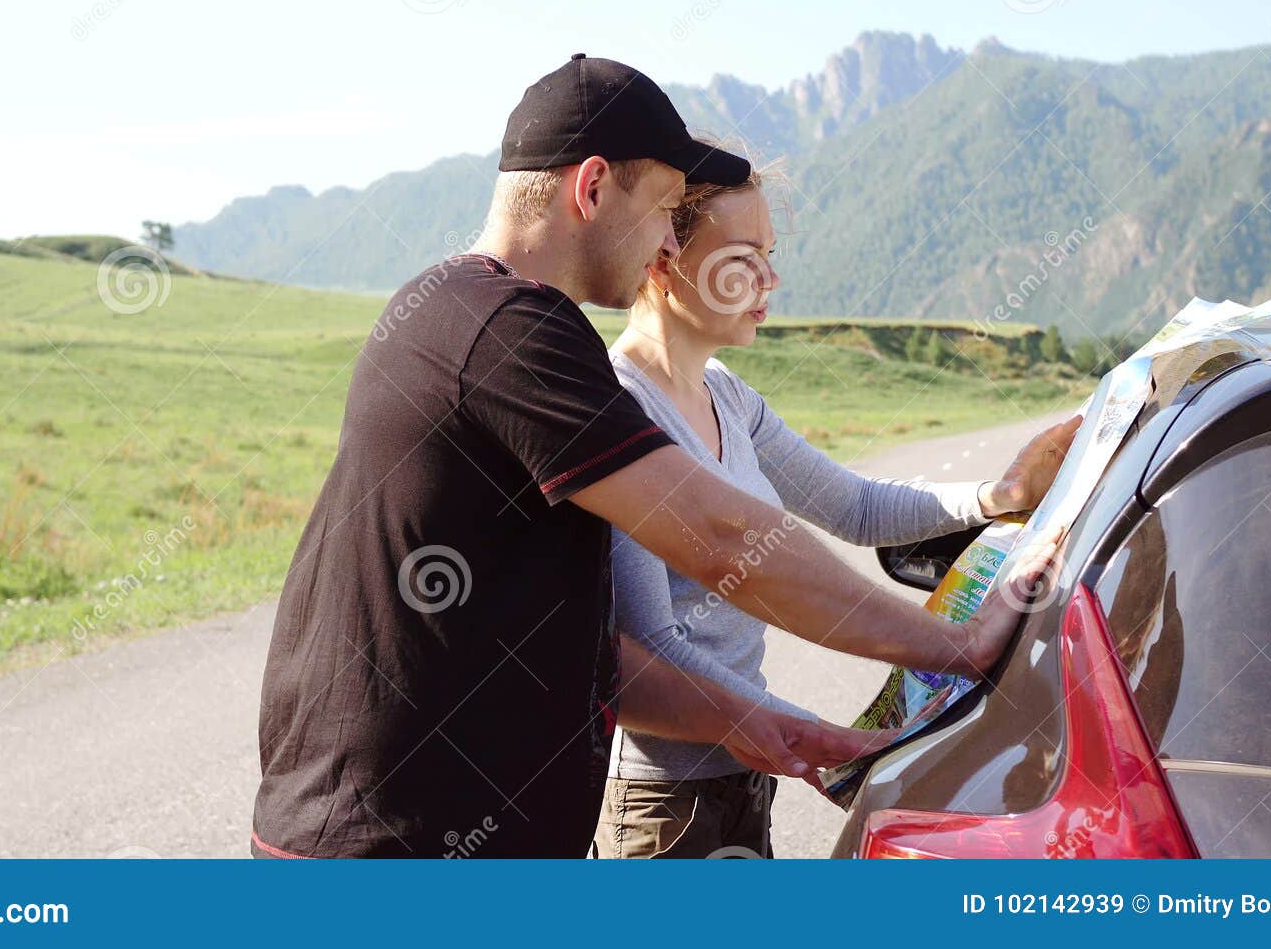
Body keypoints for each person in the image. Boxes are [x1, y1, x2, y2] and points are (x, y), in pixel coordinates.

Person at [251, 55, 1062, 858]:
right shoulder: (514, 328)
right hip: (390, 850)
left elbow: (594, 649)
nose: (666, 239)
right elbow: (724, 536)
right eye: (666, 208)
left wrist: (756, 723)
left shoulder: (465, 311)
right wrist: (955, 648)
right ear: (592, 187)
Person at [593, 157, 1082, 858]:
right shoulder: (619, 414)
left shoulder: (727, 394)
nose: (770, 280)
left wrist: (998, 498)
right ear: (663, 260)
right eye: (743, 258)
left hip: (745, 771)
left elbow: (854, 506)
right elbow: (655, 646)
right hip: (664, 804)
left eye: (769, 255)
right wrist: (826, 741)